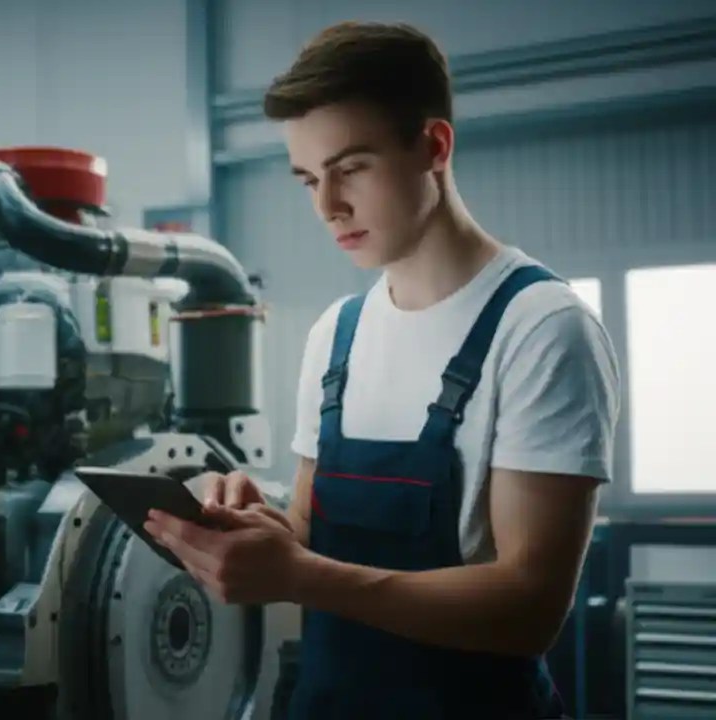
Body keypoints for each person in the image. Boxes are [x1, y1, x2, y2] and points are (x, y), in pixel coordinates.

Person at [142, 20, 620, 719]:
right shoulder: (337, 333)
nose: (327, 207)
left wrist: (304, 575)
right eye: (309, 179)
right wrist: (252, 526)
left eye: (351, 168)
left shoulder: (542, 328)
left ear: (434, 146)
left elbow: (529, 610)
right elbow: (309, 535)